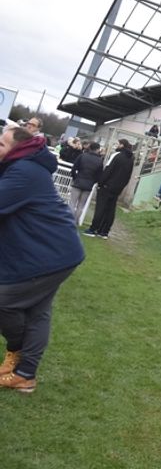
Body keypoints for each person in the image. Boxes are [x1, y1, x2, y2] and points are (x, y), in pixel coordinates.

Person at [0, 125, 86, 393]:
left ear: (18, 147)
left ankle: (17, 351)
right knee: (38, 312)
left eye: (2, 143)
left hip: (51, 254)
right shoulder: (19, 166)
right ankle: (25, 374)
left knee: (4, 301)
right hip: (54, 250)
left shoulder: (25, 171)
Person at [85, 138, 134, 239]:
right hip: (117, 188)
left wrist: (101, 182)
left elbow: (108, 169)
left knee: (100, 208)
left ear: (122, 145)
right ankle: (104, 231)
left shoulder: (116, 155)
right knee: (110, 210)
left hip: (106, 186)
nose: (116, 145)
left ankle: (93, 229)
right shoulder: (131, 159)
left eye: (118, 144)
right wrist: (120, 188)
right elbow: (128, 176)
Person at [66, 141, 103, 224]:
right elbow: (99, 176)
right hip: (88, 185)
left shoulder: (82, 156)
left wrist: (75, 178)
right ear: (98, 149)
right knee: (81, 206)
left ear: (90, 148)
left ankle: (68, 220)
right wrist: (93, 182)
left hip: (78, 182)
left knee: (72, 203)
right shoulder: (100, 161)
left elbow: (73, 169)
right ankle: (75, 222)